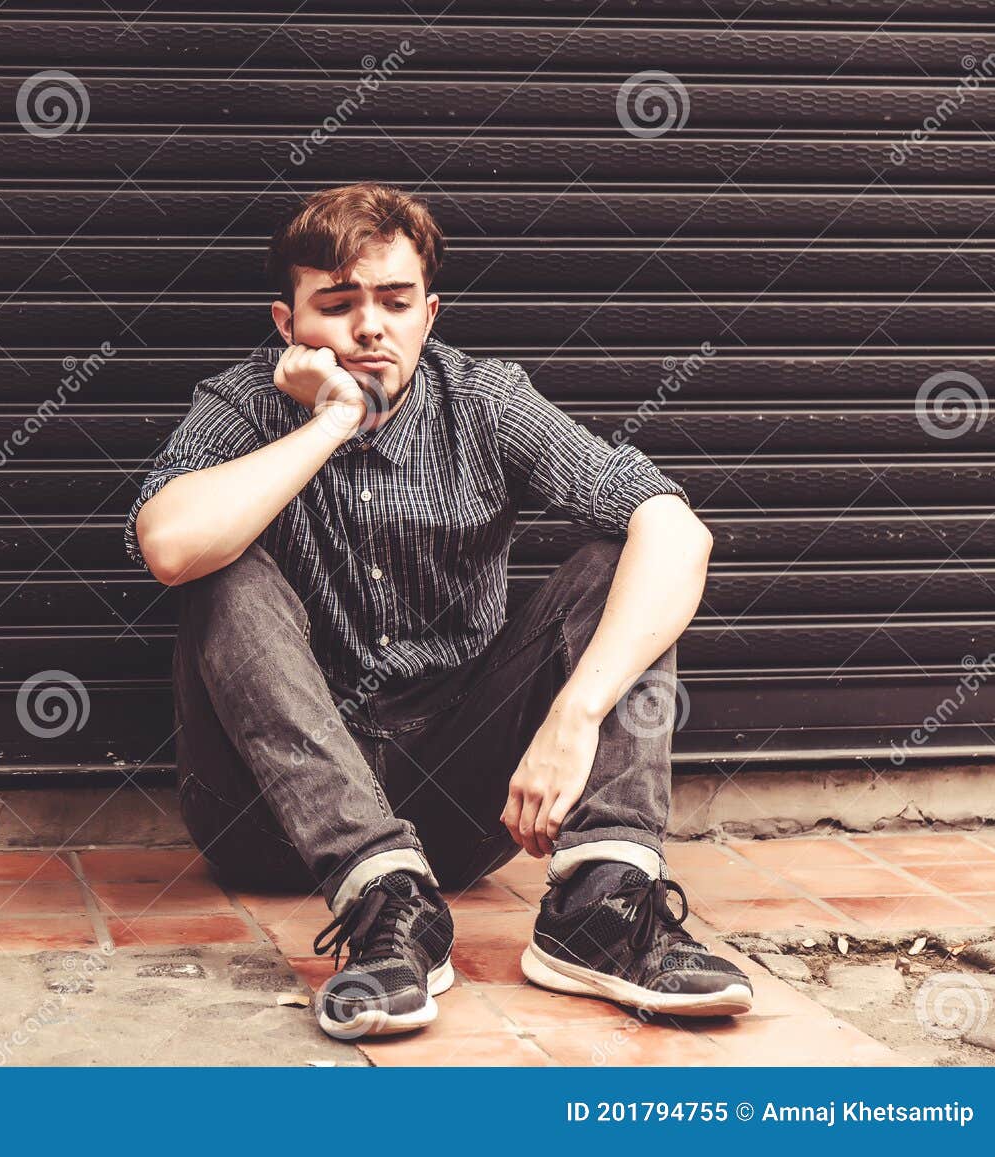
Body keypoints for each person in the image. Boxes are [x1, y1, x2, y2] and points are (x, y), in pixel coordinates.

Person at [124, 182, 752, 1040]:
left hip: (460, 807)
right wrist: (331, 422)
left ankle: (600, 909)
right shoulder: (244, 405)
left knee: (624, 560)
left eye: (395, 300)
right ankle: (383, 900)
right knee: (220, 568)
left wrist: (575, 714)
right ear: (287, 323)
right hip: (268, 820)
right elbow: (169, 545)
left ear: (430, 311)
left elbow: (677, 531)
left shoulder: (485, 402)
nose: (369, 327)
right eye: (338, 305)